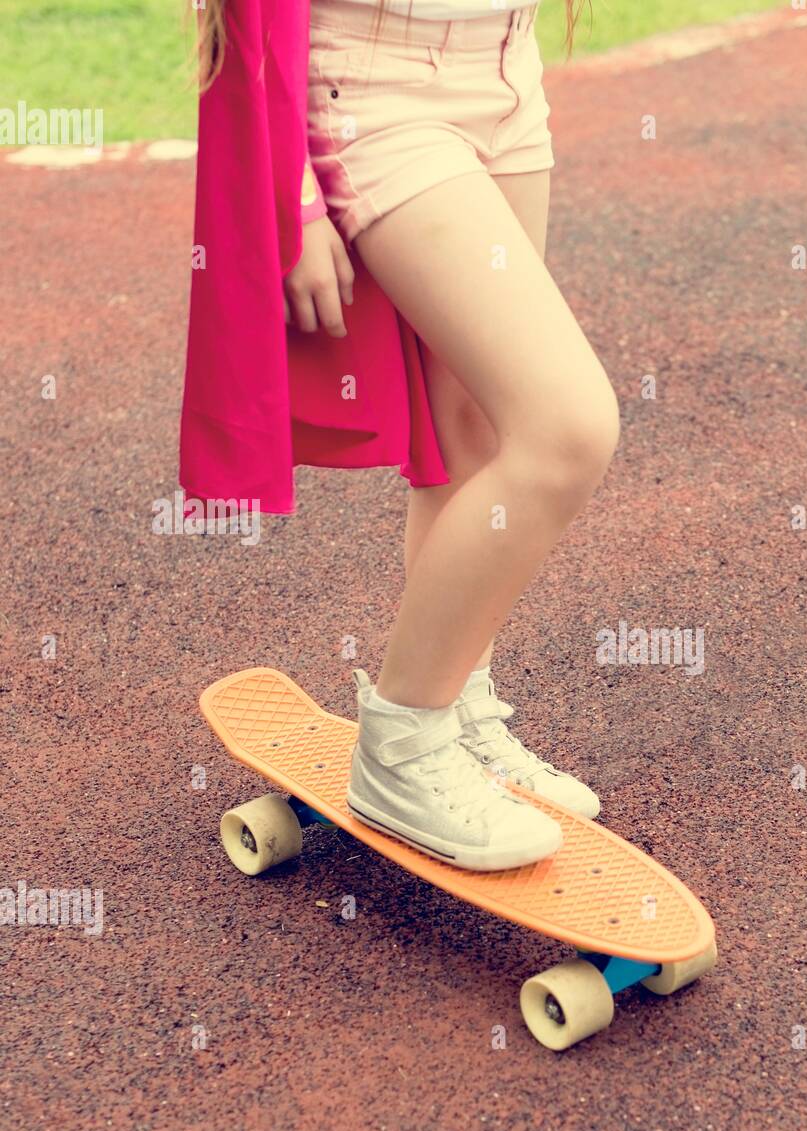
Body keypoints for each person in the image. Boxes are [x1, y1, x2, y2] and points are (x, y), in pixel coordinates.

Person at [184, 0, 616, 871]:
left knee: (477, 432)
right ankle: (403, 744)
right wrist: (291, 195)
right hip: (378, 94)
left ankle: (457, 713)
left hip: (505, 73)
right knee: (566, 430)